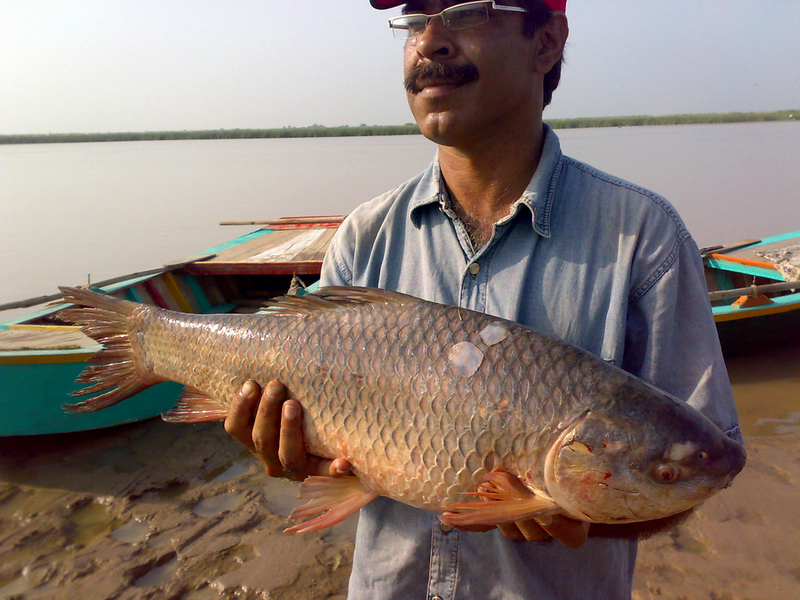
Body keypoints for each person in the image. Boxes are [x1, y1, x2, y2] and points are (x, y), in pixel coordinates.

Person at [224, 1, 743, 598]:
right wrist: (295, 454)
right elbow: (323, 463)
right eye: (415, 21)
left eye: (467, 12)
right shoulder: (363, 237)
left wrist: (578, 516)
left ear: (546, 41)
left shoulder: (643, 237)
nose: (431, 43)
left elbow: (699, 472)